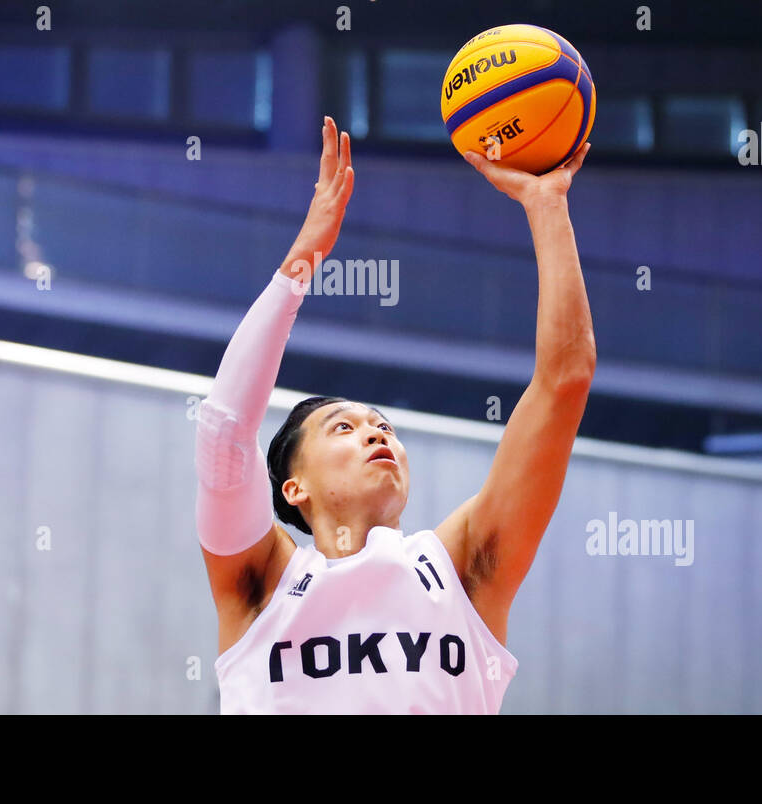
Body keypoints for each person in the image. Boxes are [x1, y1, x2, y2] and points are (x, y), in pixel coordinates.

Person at [194, 115, 595, 713]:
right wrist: (304, 259)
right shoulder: (262, 586)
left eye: (383, 424)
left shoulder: (463, 570)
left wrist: (545, 203)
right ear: (293, 486)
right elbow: (225, 427)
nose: (376, 431)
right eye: (344, 427)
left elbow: (564, 381)